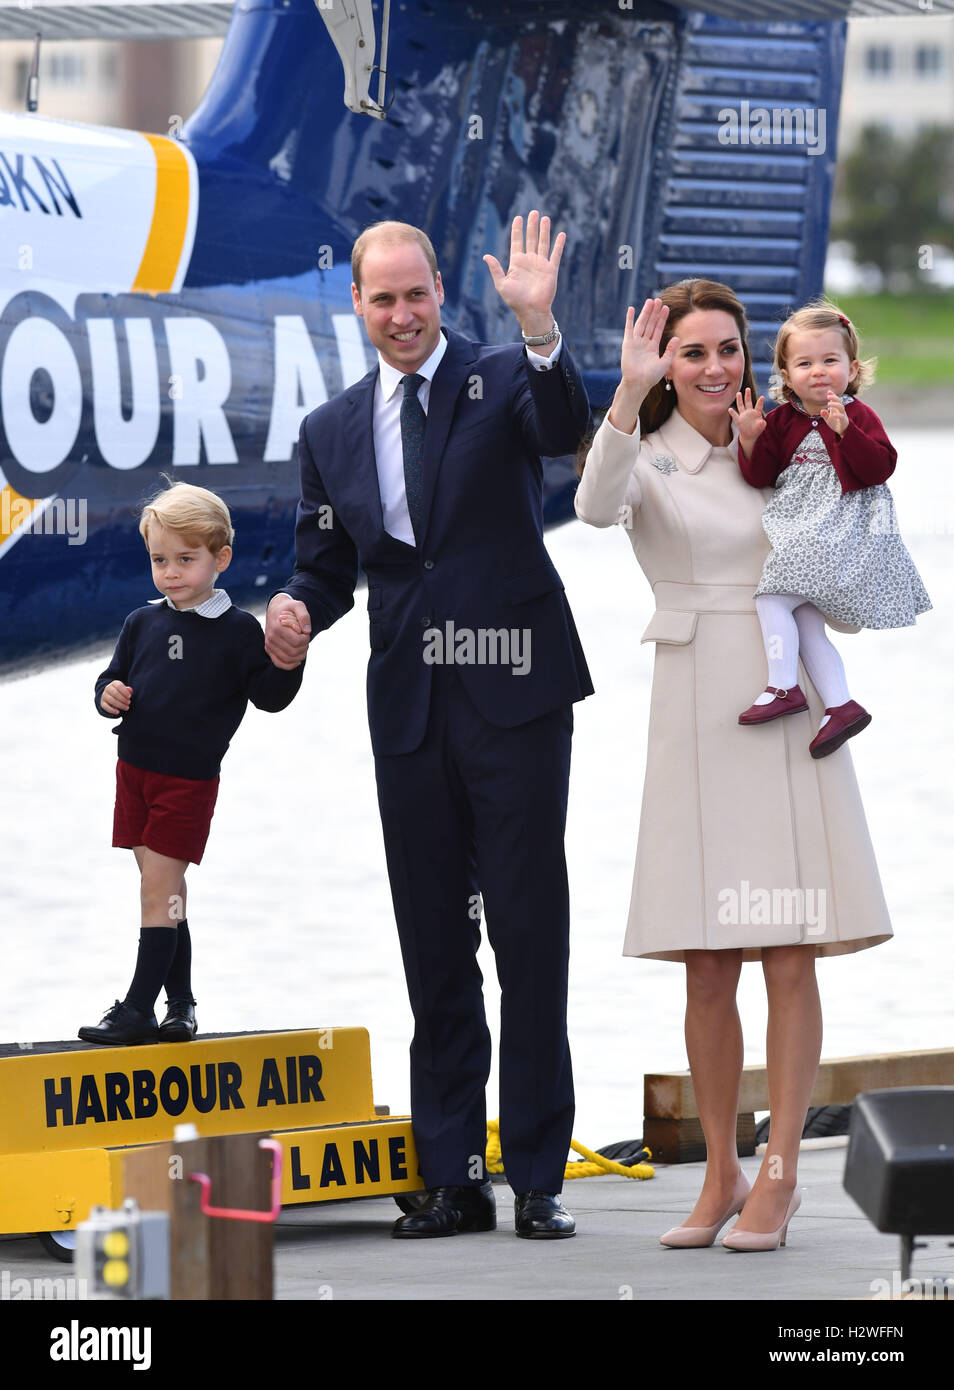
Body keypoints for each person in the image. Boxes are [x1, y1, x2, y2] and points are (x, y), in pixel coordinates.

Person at [265, 213, 593, 1239]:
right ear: (355, 306)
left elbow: (563, 431)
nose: (401, 315)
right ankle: (450, 1173)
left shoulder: (502, 378)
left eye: (416, 295)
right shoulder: (328, 433)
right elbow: (328, 568)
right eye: (381, 298)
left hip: (515, 690)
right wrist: (294, 615)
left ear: (441, 292)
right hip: (408, 706)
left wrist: (540, 331)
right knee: (434, 946)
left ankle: (537, 1174)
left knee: (529, 932)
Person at [574, 284, 893, 1252]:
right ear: (666, 361)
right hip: (692, 705)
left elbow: (842, 579)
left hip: (784, 702)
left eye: (728, 349)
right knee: (707, 963)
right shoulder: (645, 451)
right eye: (693, 352)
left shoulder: (788, 439)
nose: (715, 368)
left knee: (789, 948)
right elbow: (592, 508)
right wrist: (626, 398)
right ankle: (721, 1172)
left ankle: (784, 1173)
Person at [80, 483, 304, 1046]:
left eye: (186, 559)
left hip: (186, 781)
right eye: (160, 560)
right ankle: (179, 1006)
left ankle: (137, 1009)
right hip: (133, 772)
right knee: (167, 890)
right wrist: (108, 693)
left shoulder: (236, 632)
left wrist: (291, 658)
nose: (172, 572)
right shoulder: (142, 621)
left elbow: (270, 696)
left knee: (159, 892)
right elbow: (111, 677)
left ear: (220, 558)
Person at [730, 301, 931, 757]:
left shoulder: (858, 414)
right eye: (804, 363)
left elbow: (879, 468)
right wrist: (749, 437)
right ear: (785, 371)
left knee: (772, 595)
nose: (818, 371)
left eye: (830, 360)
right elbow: (760, 476)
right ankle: (840, 705)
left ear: (852, 367)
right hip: (803, 530)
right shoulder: (782, 420)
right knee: (804, 617)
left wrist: (845, 432)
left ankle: (783, 687)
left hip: (844, 531)